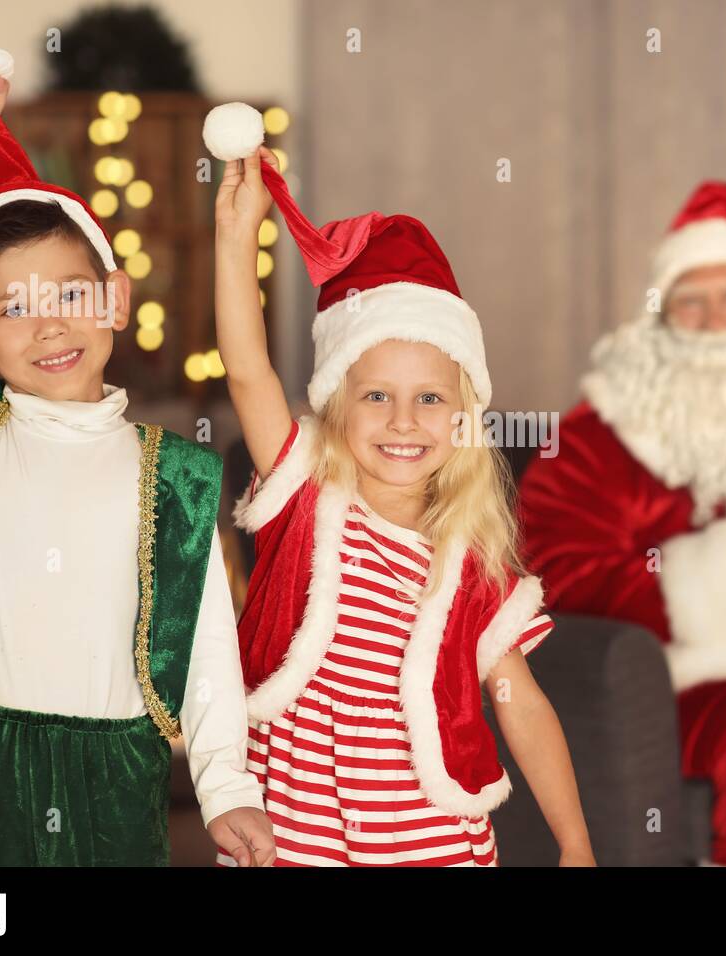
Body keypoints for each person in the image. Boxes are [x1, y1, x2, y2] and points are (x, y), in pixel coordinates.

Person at [0, 54, 273, 866]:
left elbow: (204, 643)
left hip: (114, 769)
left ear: (115, 300)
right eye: (13, 308)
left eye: (69, 294)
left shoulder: (176, 477)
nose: (48, 325)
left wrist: (228, 785)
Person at [205, 103, 595, 866]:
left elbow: (522, 707)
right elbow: (247, 368)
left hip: (428, 841)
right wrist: (237, 234)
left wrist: (575, 843)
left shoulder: (471, 564)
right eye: (377, 395)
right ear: (338, 406)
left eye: (430, 399)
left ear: (461, 419)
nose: (403, 421)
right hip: (299, 834)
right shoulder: (303, 491)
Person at [517, 181, 726, 866]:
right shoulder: (597, 437)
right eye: (690, 301)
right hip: (678, 679)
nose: (711, 322)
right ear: (661, 318)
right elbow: (558, 576)